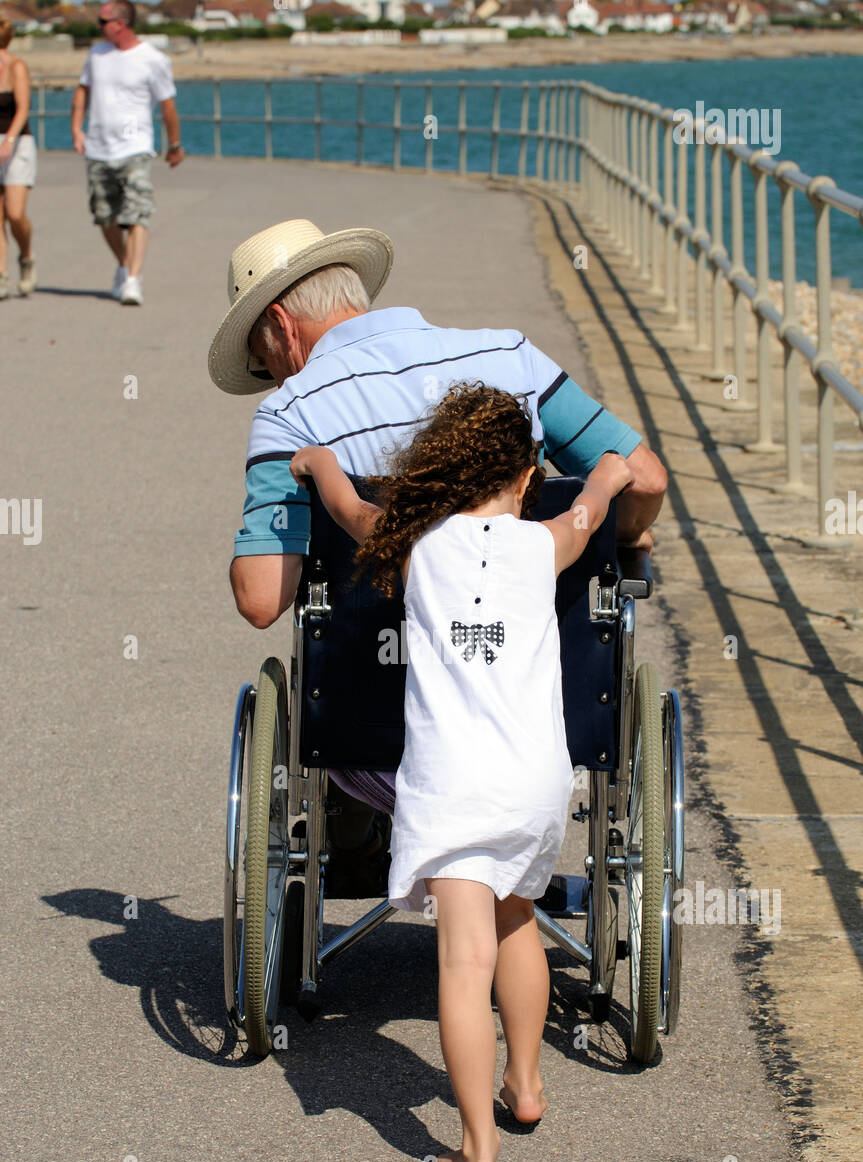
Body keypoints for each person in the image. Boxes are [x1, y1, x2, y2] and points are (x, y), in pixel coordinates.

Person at [207, 218, 667, 884]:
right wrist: (623, 536)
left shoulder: (292, 414)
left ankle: (359, 830)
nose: (270, 376)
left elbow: (259, 600)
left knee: (339, 634)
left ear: (280, 326)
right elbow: (645, 477)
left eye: (261, 360)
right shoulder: (510, 357)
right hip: (543, 733)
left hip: (375, 740)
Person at [288, 383, 635, 1162]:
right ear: (520, 481)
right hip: (533, 781)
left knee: (463, 959)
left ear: (440, 469)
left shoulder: (415, 545)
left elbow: (346, 512)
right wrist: (608, 475)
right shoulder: (542, 542)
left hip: (452, 783)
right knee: (518, 922)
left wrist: (322, 464)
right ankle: (527, 1080)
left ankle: (476, 1148)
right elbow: (588, 511)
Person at [71, 1, 184, 306]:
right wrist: (76, 128)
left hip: (135, 147)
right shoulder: (96, 54)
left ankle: (133, 278)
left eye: (102, 20)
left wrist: (174, 145)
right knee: (105, 216)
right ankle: (123, 265)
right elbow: (83, 90)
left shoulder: (153, 59)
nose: (98, 25)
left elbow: (168, 106)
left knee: (138, 212)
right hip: (97, 147)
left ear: (121, 23)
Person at [0, 17, 36, 299]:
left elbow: (23, 108)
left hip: (17, 143)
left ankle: (26, 256)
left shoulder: (16, 67)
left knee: (14, 213)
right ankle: (1, 275)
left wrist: (9, 139)